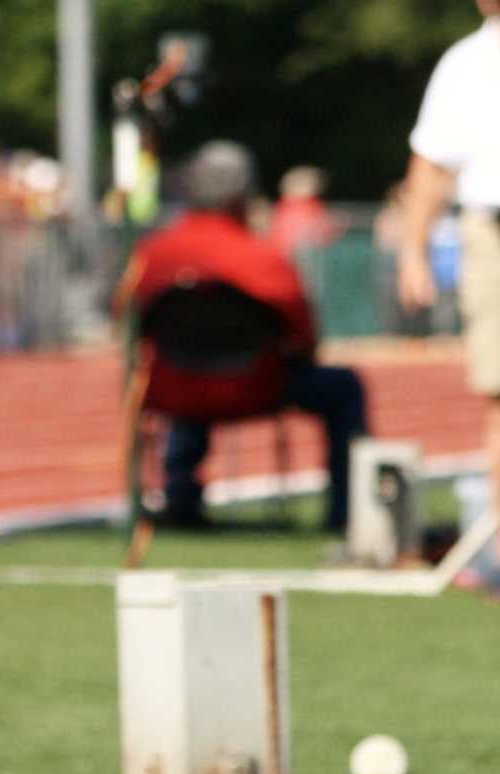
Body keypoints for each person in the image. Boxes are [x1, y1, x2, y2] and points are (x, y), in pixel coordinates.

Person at [121, 141, 370, 533]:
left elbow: (129, 326)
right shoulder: (263, 257)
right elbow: (305, 337)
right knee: (346, 386)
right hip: (256, 386)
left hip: (172, 387)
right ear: (242, 196)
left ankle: (180, 495)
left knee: (189, 379)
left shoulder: (151, 255)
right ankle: (346, 511)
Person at [396, 0, 500, 570]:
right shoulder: (466, 63)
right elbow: (431, 166)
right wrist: (412, 251)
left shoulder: (463, 60)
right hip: (492, 232)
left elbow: (429, 168)